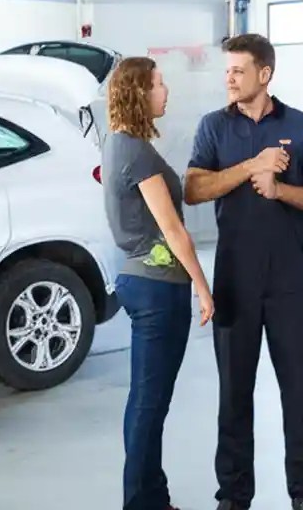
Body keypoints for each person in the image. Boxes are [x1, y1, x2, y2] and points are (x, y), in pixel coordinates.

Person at [184, 33, 303, 510]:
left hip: (289, 279)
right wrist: (252, 165)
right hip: (233, 276)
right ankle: (233, 495)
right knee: (234, 392)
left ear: (264, 74)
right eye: (226, 71)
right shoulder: (213, 127)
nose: (229, 79)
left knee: (298, 388)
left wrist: (280, 190)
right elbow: (193, 189)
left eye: (238, 71)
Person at [102, 56, 216, 510]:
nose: (166, 91)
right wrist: (204, 288)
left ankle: (153, 498)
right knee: (151, 404)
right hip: (158, 288)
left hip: (136, 279)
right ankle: (141, 503)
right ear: (139, 93)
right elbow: (174, 231)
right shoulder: (137, 152)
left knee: (145, 401)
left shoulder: (116, 144)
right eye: (159, 84)